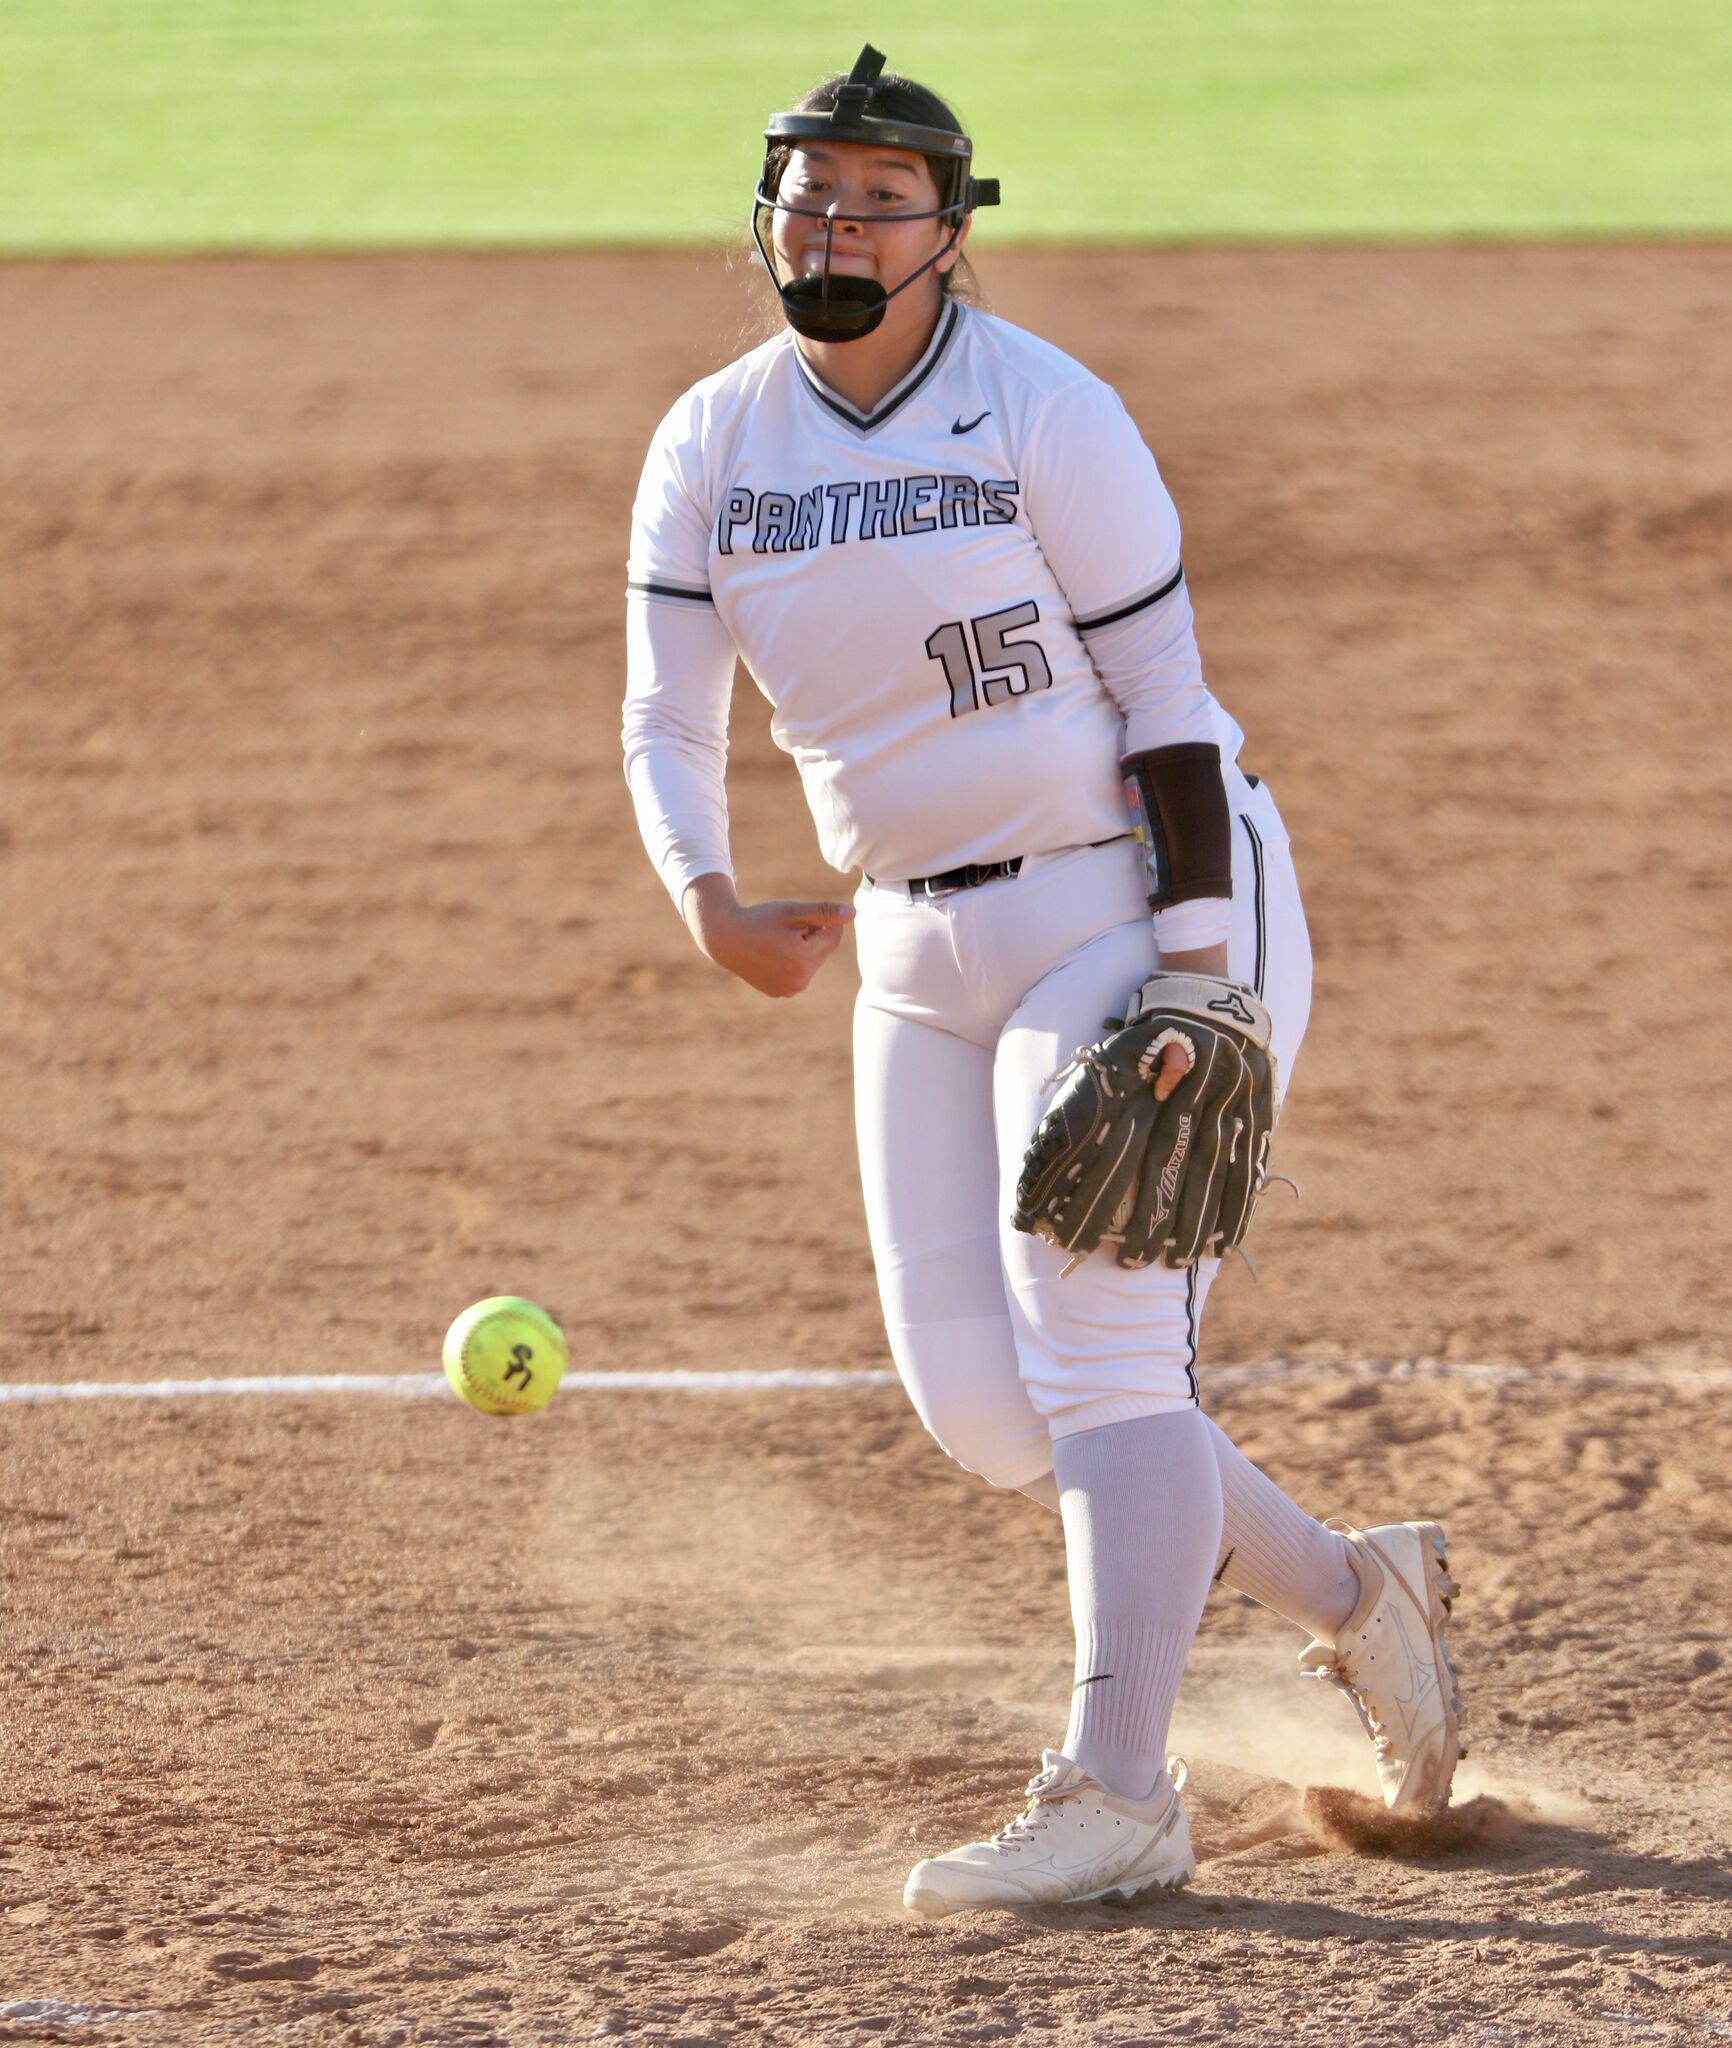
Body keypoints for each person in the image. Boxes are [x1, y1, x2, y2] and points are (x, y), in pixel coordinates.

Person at [622, 46, 1461, 1916]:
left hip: (1124, 906)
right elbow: (665, 716)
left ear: (950, 230)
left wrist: (1199, 986)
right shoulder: (713, 444)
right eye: (810, 196)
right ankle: (1362, 1595)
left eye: (880, 200)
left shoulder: (1043, 410)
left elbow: (1167, 709)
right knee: (990, 1413)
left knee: (1097, 1345)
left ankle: (1119, 1792)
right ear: (764, 219)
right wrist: (705, 896)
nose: (838, 228)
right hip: (913, 944)